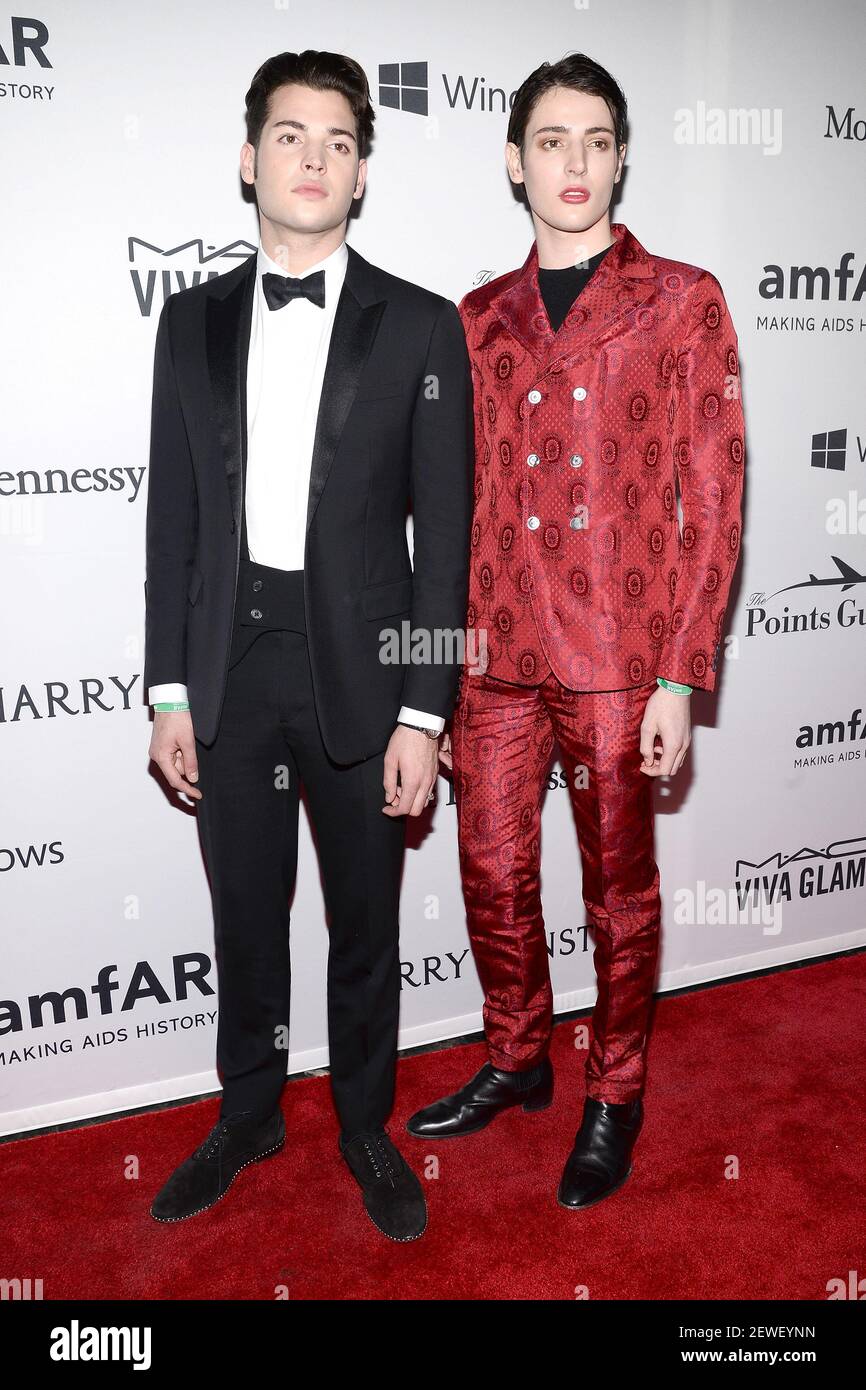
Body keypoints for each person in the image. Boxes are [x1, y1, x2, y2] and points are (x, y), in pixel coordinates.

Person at [144, 49, 473, 1241]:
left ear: (363, 171)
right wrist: (169, 686)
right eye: (290, 135)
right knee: (244, 912)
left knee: (365, 923)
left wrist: (424, 712)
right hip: (229, 664)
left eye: (337, 140)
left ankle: (364, 1124)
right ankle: (247, 1112)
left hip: (367, 670)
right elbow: (172, 518)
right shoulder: (189, 322)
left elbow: (449, 547)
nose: (313, 158)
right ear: (249, 157)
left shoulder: (423, 326)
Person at [407, 53, 745, 1211]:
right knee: (493, 874)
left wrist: (676, 676)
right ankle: (515, 1057)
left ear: (620, 158)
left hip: (615, 657)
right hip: (492, 655)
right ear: (513, 160)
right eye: (551, 140)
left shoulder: (680, 297)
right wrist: (437, 677)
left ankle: (614, 1090)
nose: (575, 163)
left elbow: (716, 496)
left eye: (596, 141)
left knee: (618, 893)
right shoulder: (473, 319)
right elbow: (442, 510)